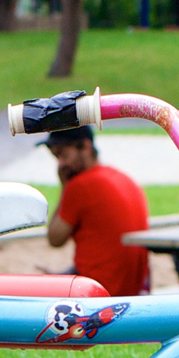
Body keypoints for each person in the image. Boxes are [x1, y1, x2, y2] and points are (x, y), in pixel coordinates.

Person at [43, 127, 151, 296]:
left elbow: (55, 239)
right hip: (134, 291)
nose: (61, 165)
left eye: (64, 155)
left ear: (85, 147)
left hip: (99, 292)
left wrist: (64, 187)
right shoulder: (124, 178)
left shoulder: (80, 185)